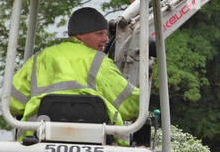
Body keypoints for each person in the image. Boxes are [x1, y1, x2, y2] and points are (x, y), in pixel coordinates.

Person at [9, 7, 139, 128]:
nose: (106, 39)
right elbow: (129, 106)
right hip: (95, 141)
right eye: (100, 34)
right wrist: (147, 100)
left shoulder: (40, 59)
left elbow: (12, 103)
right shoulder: (100, 62)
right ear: (80, 34)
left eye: (105, 34)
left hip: (37, 139)